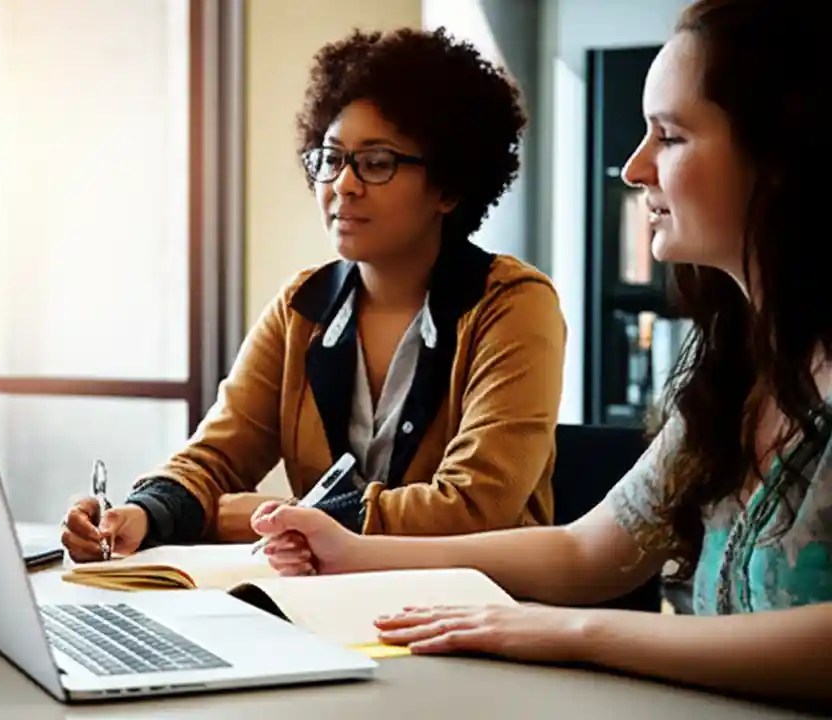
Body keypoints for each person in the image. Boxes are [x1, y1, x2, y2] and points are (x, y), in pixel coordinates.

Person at [250, 0, 831, 706]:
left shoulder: (512, 300)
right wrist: (355, 550)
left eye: (670, 137)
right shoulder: (736, 366)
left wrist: (570, 632)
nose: (635, 167)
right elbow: (591, 551)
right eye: (334, 160)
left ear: (781, 158)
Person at [62, 28, 565, 561]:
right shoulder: (303, 305)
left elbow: (474, 507)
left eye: (376, 163)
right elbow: (216, 458)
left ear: (448, 187)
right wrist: (143, 513)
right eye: (330, 158)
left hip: (475, 610)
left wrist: (294, 518)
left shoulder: (513, 304)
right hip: (324, 604)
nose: (342, 185)